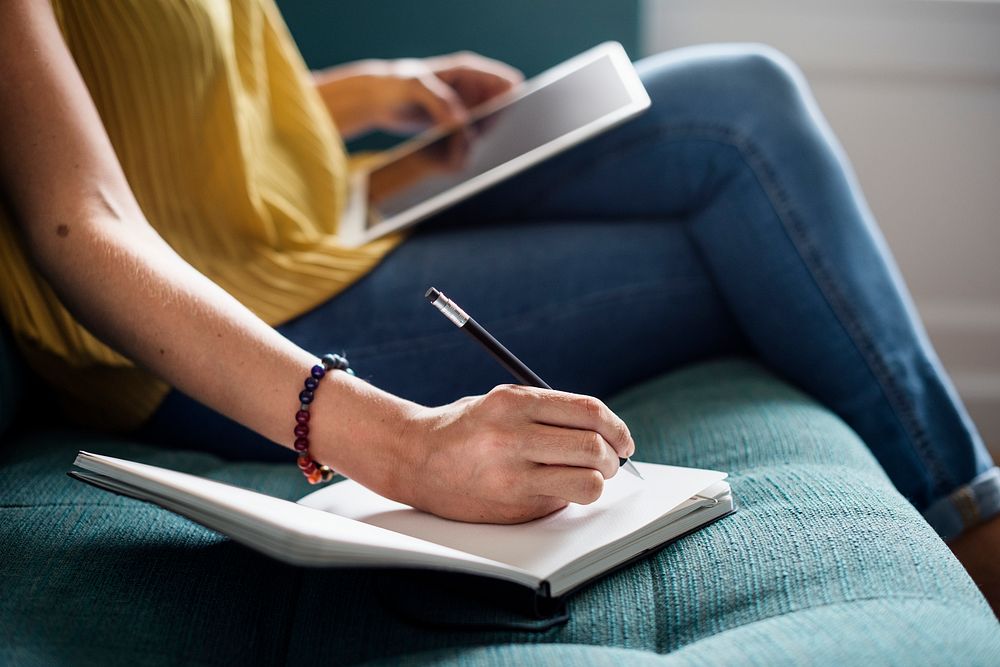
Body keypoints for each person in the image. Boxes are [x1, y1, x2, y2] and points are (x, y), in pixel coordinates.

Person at [0, 0, 996, 608]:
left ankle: (970, 515)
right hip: (217, 325)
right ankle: (974, 531)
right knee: (746, 225)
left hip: (327, 221)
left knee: (742, 94)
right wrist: (402, 447)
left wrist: (377, 94)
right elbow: (76, 221)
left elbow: (161, 94)